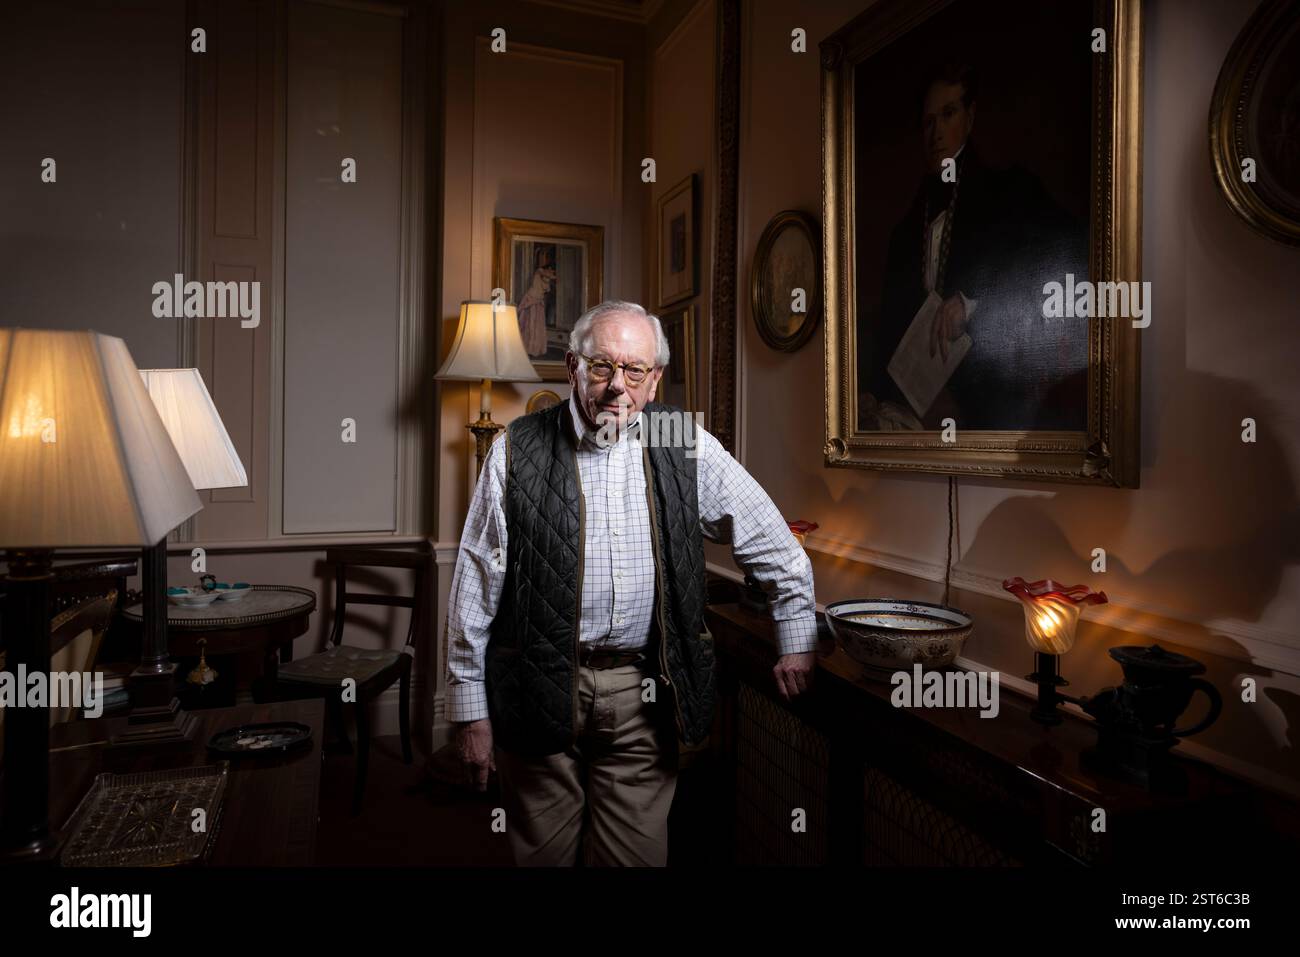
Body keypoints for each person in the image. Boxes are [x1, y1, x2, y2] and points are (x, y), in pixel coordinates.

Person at [444, 300, 818, 866]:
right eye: (601, 367)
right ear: (572, 366)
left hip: (645, 693)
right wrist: (470, 710)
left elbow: (772, 542)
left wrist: (795, 632)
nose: (617, 386)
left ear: (653, 380)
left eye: (635, 371)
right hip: (537, 687)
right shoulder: (514, 450)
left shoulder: (685, 443)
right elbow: (475, 584)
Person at [861, 61, 1088, 432]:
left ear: (970, 116)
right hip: (914, 417)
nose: (936, 132)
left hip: (992, 411)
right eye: (928, 121)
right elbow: (889, 331)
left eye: (948, 114)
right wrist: (871, 393)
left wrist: (973, 302)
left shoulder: (1010, 193)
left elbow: (1065, 257)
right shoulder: (905, 232)